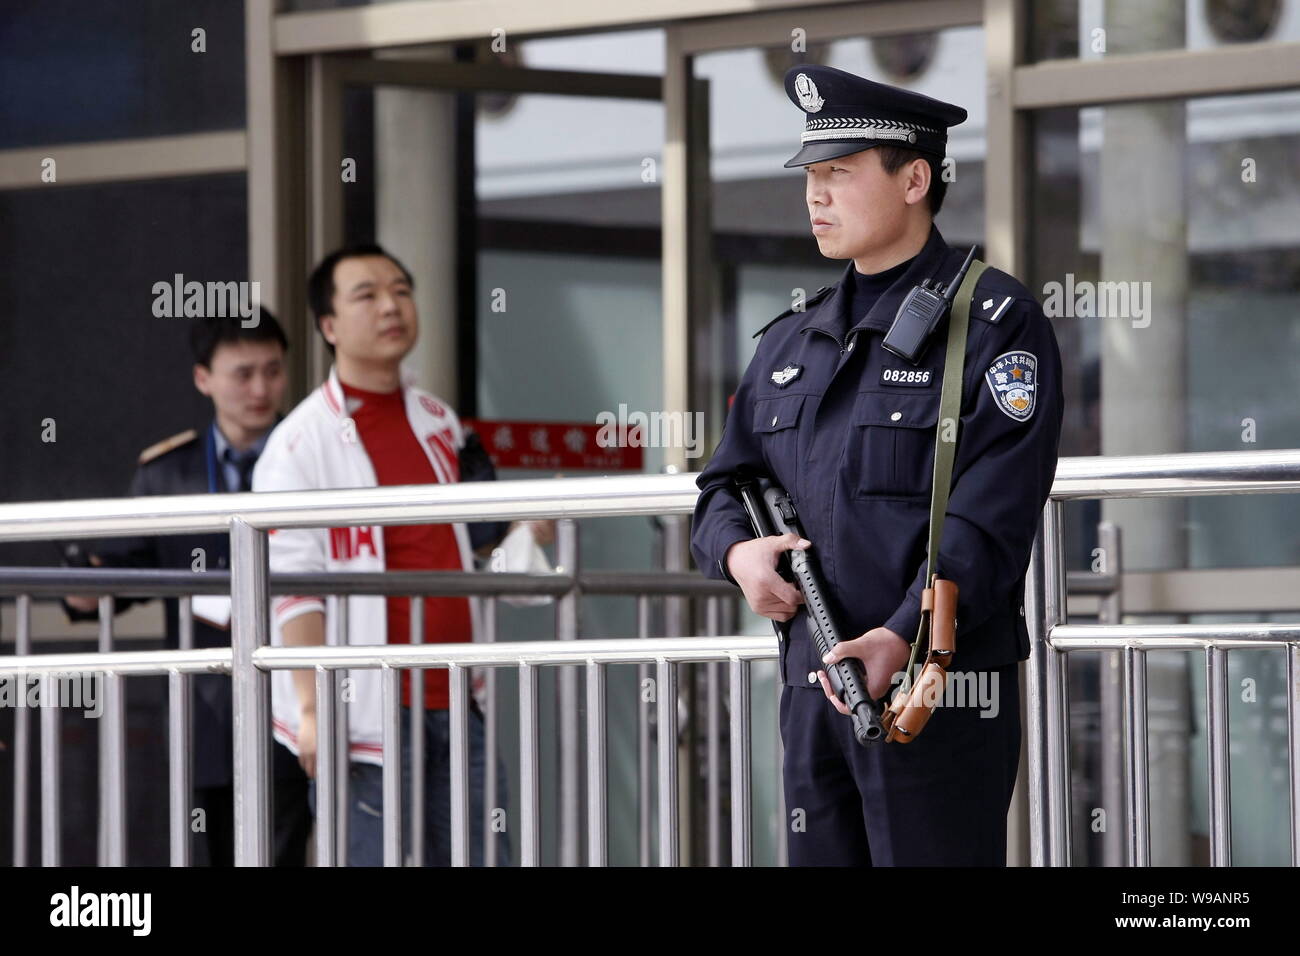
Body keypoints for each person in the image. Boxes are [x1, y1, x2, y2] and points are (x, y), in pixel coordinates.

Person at [690, 65, 1064, 866]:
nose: (814, 196)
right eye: (811, 177)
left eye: (838, 173)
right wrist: (735, 552)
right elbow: (727, 483)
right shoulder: (792, 340)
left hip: (936, 684)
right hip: (813, 682)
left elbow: (989, 520)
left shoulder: (995, 322)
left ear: (914, 179)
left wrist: (901, 636)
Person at [254, 242, 547, 866]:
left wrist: (520, 535)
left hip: (459, 696)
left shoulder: (438, 420)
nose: (392, 305)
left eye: (402, 290)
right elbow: (293, 583)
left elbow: (467, 545)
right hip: (364, 712)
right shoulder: (299, 444)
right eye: (367, 294)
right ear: (329, 326)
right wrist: (310, 706)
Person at [64, 310, 312, 866]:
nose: (260, 388)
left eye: (273, 371)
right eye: (242, 373)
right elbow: (130, 571)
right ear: (204, 378)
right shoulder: (167, 473)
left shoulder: (311, 455)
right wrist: (86, 587)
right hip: (212, 704)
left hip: (303, 690)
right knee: (221, 847)